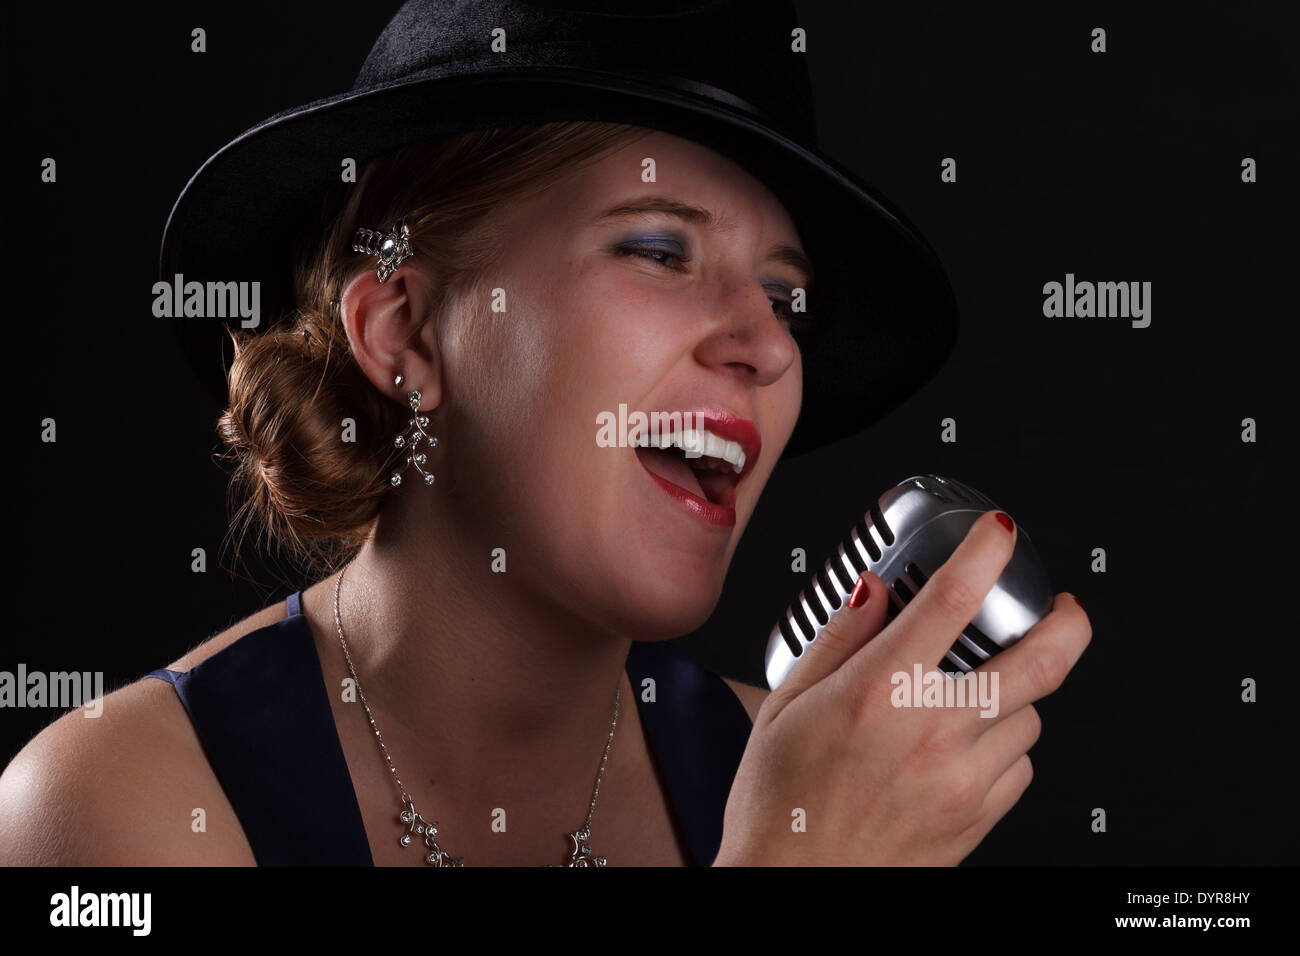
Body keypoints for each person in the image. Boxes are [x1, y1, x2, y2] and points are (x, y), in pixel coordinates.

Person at [0, 0, 1091, 867]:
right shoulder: (115, 803)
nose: (766, 342)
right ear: (405, 331)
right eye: (660, 249)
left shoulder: (817, 765)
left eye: (786, 296)